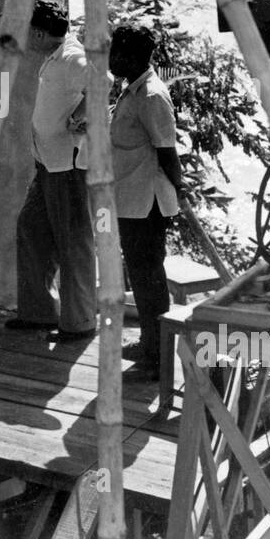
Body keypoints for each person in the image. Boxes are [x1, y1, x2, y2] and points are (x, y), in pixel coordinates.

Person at [5, 0, 96, 341]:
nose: (28, 38)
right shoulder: (54, 58)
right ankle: (40, 312)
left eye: (31, 32)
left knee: (73, 243)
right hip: (47, 164)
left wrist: (83, 114)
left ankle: (80, 323)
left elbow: (102, 84)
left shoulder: (74, 57)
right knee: (30, 229)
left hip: (68, 165)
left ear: (41, 33)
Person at [108, 22, 185, 379]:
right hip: (131, 198)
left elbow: (168, 152)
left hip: (147, 202)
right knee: (140, 275)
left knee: (149, 277)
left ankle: (158, 358)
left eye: (117, 52)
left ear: (136, 56)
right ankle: (150, 343)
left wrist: (177, 195)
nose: (111, 58)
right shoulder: (131, 91)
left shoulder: (152, 96)